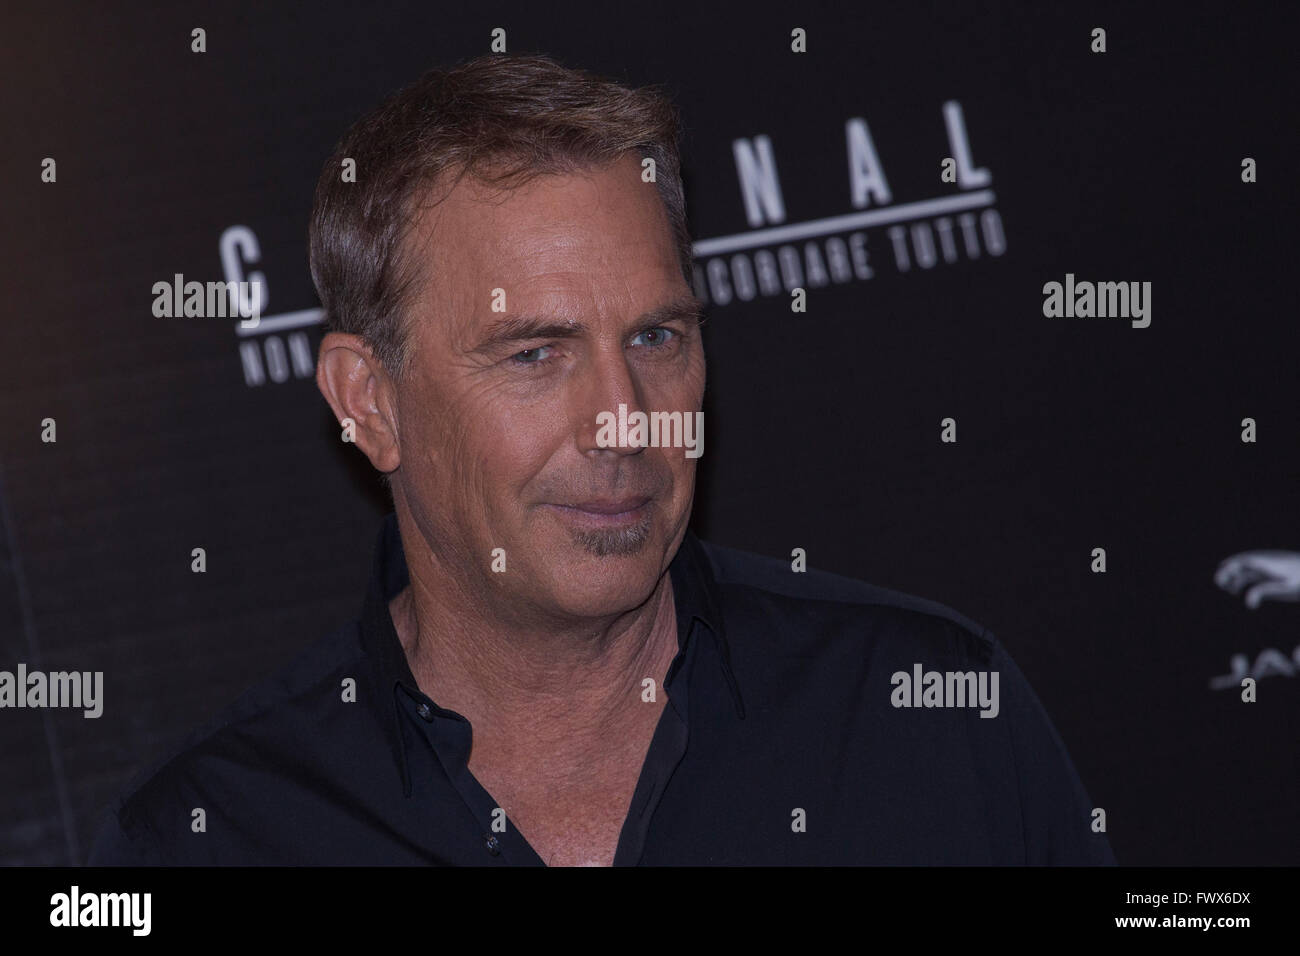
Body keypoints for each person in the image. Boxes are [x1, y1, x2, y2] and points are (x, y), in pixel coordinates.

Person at [88, 53, 1115, 866]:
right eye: (535, 353)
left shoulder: (927, 712)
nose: (625, 421)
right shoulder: (209, 836)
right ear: (371, 401)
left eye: (656, 339)